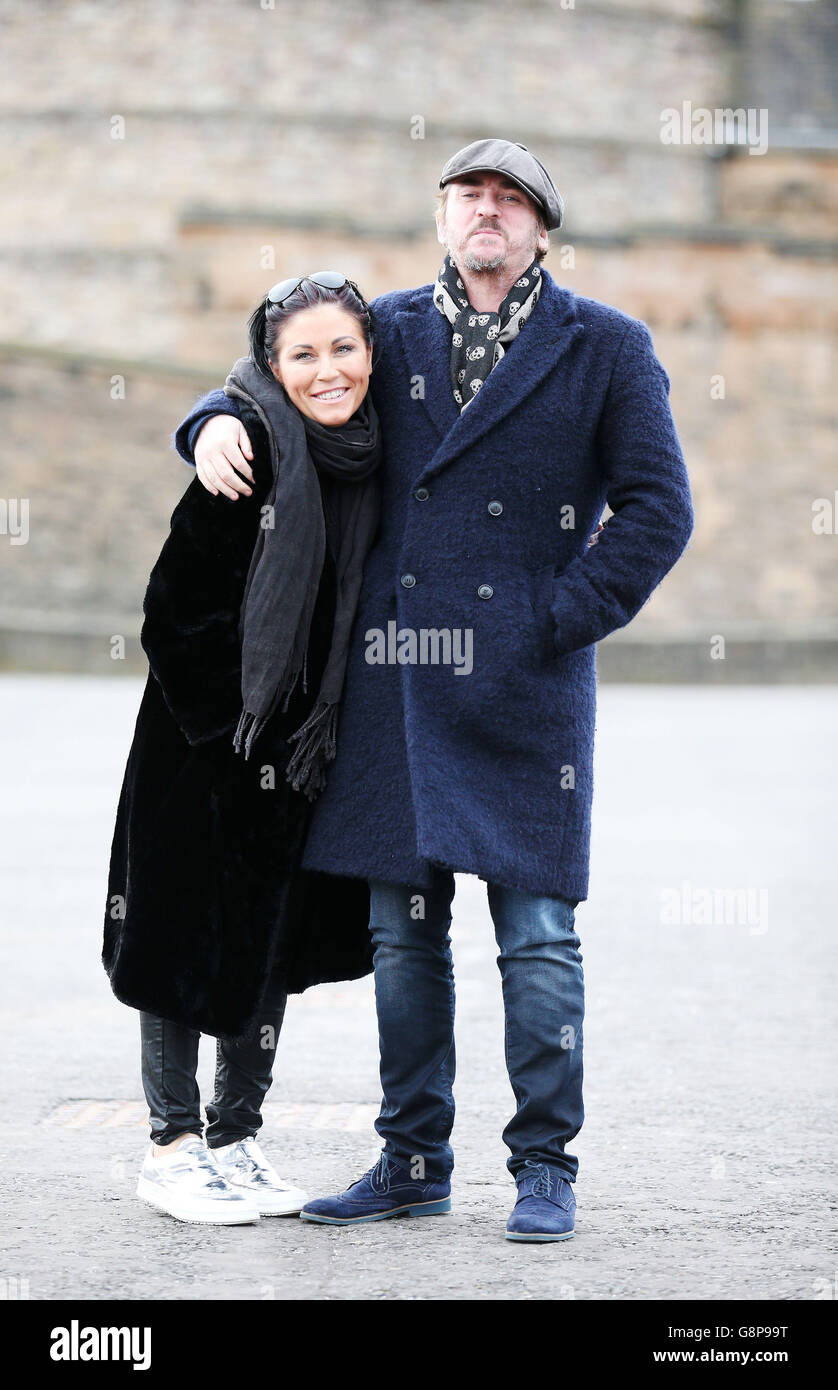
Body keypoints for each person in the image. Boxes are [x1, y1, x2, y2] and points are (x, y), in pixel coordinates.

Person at [172, 138, 695, 1241]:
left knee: (537, 937)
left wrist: (554, 619)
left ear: (541, 227)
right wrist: (211, 418)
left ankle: (544, 1166)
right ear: (443, 215)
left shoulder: (607, 346)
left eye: (510, 198)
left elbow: (659, 509)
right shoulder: (390, 328)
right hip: (394, 681)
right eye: (469, 195)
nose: (487, 211)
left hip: (528, 687)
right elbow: (285, 377)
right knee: (405, 940)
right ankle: (413, 1158)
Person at [103, 273, 383, 1224]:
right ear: (271, 365)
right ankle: (172, 1147)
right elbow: (172, 612)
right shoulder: (246, 449)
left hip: (298, 757)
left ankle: (235, 1138)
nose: (327, 370)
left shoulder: (369, 458)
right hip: (205, 749)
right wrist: (230, 735)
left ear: (372, 355)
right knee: (181, 939)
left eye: (343, 348)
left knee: (267, 945)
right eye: (303, 354)